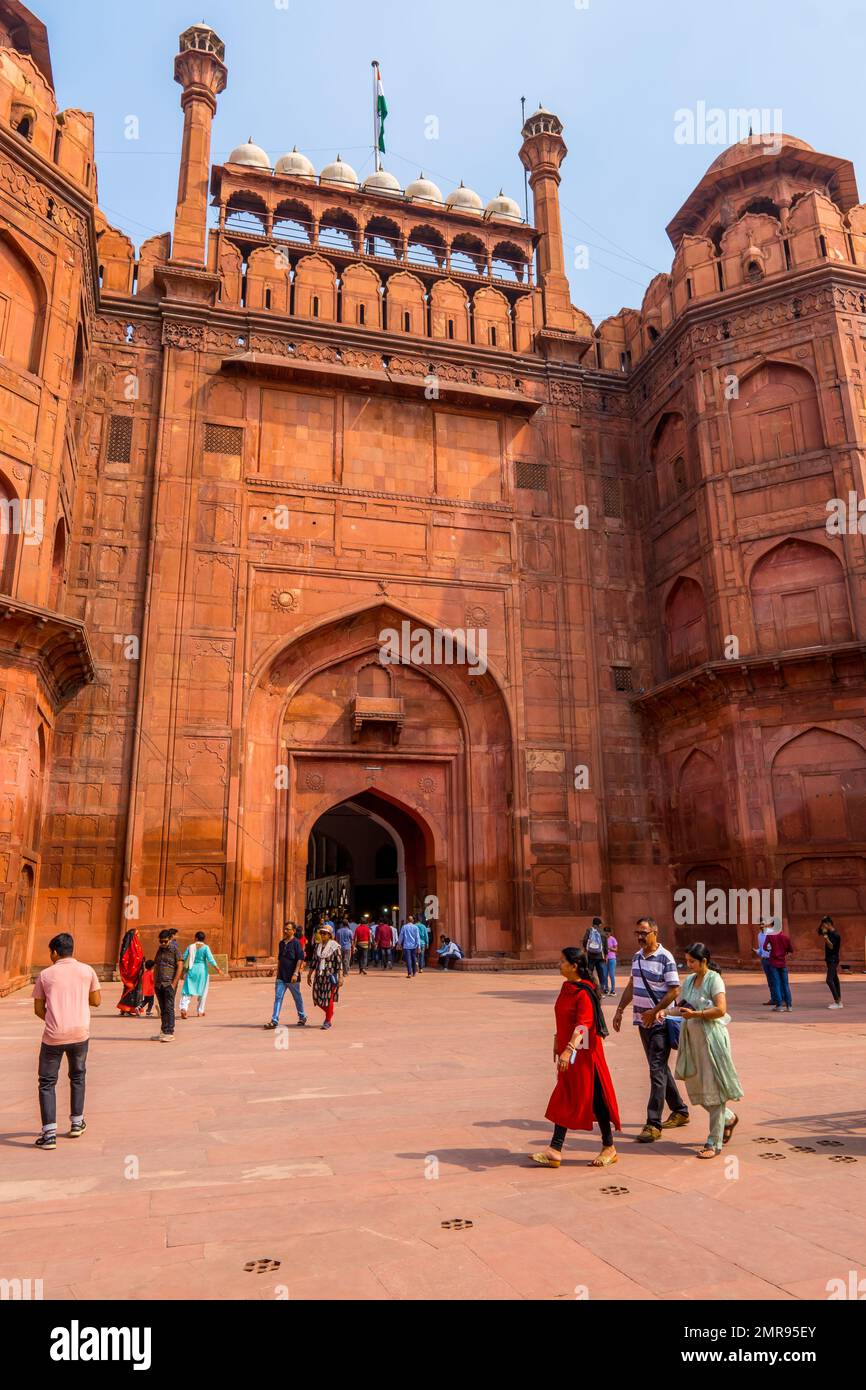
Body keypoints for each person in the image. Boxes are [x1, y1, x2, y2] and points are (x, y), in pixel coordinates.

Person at [530, 947, 621, 1169]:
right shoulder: (567, 988)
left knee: (597, 1098)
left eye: (563, 961)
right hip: (569, 1052)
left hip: (585, 1054)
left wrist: (569, 1048)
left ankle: (609, 1147)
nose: (559, 964)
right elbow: (564, 1018)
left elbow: (583, 1024)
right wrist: (557, 1040)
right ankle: (555, 1149)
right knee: (566, 1094)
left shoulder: (584, 993)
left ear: (574, 966)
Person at [612, 916, 689, 1143]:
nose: (639, 937)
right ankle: (680, 1110)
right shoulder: (637, 957)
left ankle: (653, 1123)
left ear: (655, 932)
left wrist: (655, 1010)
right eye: (637, 933)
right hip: (642, 1021)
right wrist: (620, 1009)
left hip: (660, 1022)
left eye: (644, 933)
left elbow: (675, 991)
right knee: (659, 1067)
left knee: (656, 1069)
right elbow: (632, 984)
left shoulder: (665, 958)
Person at [674, 943, 744, 1159]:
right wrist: (663, 1013)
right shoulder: (689, 980)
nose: (689, 965)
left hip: (712, 1040)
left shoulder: (714, 979)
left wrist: (696, 1015)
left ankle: (713, 1143)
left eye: (692, 961)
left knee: (713, 1089)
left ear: (704, 961)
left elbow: (721, 1009)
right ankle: (728, 1117)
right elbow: (680, 1005)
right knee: (695, 1084)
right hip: (692, 1040)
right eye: (687, 961)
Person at [32, 933, 101, 1149]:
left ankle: (49, 1134)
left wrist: (57, 1020)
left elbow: (38, 1009)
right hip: (80, 1033)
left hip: (54, 1036)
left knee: (47, 1082)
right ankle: (77, 1123)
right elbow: (96, 1001)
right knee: (78, 1077)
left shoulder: (45, 974)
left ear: (54, 952)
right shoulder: (87, 970)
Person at [265, 922, 307, 1029]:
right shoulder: (281, 943)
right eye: (285, 929)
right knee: (278, 998)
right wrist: (276, 971)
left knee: (297, 997)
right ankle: (274, 1020)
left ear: (293, 931)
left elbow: (300, 958)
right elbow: (280, 959)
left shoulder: (297, 943)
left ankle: (302, 1016)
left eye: (288, 929)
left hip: (292, 977)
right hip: (281, 976)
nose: (285, 931)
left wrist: (296, 973)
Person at [307, 922, 344, 1030]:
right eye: (321, 933)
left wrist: (341, 977)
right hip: (319, 976)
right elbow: (314, 961)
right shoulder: (318, 947)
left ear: (329, 935)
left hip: (330, 976)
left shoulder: (335, 947)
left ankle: (328, 1021)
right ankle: (330, 1012)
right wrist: (309, 974)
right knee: (317, 998)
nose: (322, 935)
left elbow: (339, 963)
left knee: (329, 998)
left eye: (325, 933)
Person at [179, 931, 222, 1018]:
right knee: (203, 991)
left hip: (191, 970)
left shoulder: (190, 947)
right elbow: (211, 959)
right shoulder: (206, 948)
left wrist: (181, 971)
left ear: (196, 938)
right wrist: (218, 969)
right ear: (203, 939)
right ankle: (200, 1011)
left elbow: (183, 958)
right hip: (202, 971)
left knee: (188, 990)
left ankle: (184, 1008)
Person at [152, 929, 182, 1042]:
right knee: (163, 1008)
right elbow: (156, 965)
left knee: (169, 1008)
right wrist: (154, 982)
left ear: (170, 939)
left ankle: (169, 1032)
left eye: (165, 941)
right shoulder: (160, 950)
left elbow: (180, 966)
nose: (163, 943)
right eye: (161, 941)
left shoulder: (175, 950)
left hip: (169, 984)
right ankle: (163, 1031)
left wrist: (174, 983)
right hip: (159, 984)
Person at [765, 917, 793, 1011]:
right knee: (785, 984)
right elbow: (790, 950)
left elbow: (765, 947)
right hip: (783, 963)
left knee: (776, 984)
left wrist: (771, 949)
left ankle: (779, 1005)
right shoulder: (785, 937)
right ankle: (789, 1006)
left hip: (773, 962)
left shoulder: (770, 936)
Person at [117, 925, 144, 1016]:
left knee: (131, 990)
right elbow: (126, 960)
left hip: (136, 972)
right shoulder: (130, 947)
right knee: (130, 990)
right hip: (132, 973)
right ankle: (127, 1009)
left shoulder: (134, 946)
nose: (138, 936)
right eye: (137, 934)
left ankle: (126, 1009)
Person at [818, 916, 843, 1009]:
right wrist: (823, 928)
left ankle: (837, 1002)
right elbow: (819, 931)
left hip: (833, 959)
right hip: (829, 959)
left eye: (824, 924)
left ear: (828, 924)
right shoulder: (828, 932)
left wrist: (825, 937)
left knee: (829, 980)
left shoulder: (836, 935)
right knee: (835, 979)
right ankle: (839, 1000)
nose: (822, 926)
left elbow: (831, 946)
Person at [752, 923, 775, 1005]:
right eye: (760, 924)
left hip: (773, 959)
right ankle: (774, 999)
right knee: (770, 981)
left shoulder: (772, 933)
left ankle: (781, 999)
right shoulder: (759, 935)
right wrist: (757, 951)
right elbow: (761, 950)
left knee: (776, 980)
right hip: (765, 960)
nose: (761, 926)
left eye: (763, 924)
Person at [582, 917, 607, 991]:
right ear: (599, 924)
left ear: (593, 923)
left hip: (591, 955)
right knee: (601, 973)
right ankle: (602, 989)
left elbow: (585, 940)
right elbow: (605, 944)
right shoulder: (602, 932)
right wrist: (606, 954)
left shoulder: (589, 930)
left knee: (589, 971)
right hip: (600, 956)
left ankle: (588, 986)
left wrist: (585, 948)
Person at [603, 929, 618, 997]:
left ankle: (613, 990)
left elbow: (616, 949)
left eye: (608, 932)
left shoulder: (613, 939)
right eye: (605, 932)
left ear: (610, 932)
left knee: (611, 975)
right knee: (605, 975)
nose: (607, 933)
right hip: (604, 959)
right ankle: (606, 989)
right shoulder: (602, 939)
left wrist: (609, 948)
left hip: (612, 959)